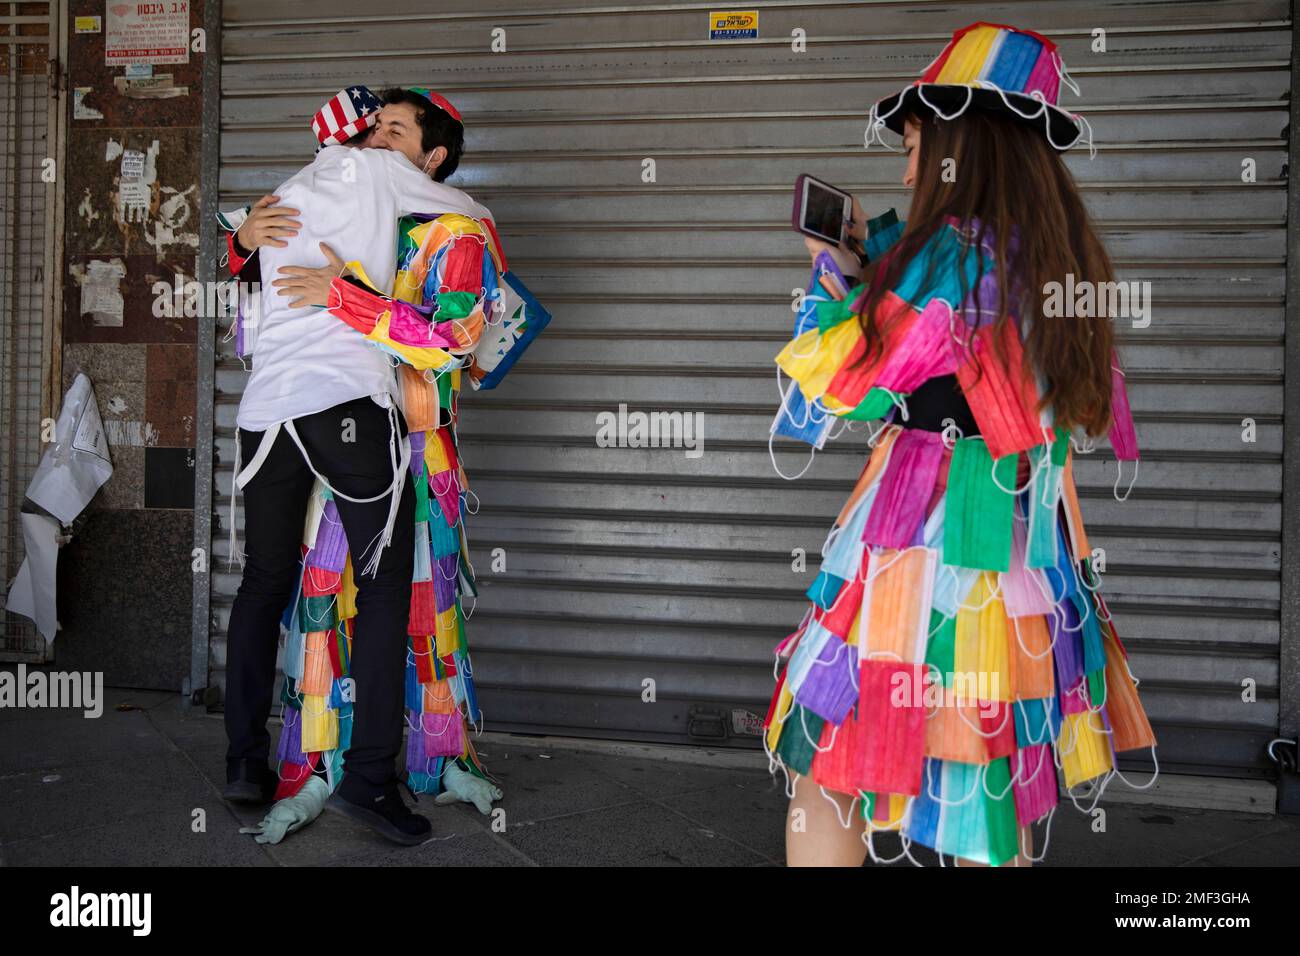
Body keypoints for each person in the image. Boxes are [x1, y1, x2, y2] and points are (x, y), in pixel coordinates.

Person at [765, 21, 1155, 867]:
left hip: (920, 546)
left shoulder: (946, 251)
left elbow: (834, 388)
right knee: (986, 770)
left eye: (917, 145)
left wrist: (833, 275)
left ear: (961, 147)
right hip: (1020, 554)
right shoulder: (1066, 259)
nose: (907, 167)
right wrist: (879, 267)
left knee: (831, 761)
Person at [220, 86, 504, 846]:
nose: (378, 138)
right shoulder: (361, 189)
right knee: (337, 604)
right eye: (373, 126)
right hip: (346, 416)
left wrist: (325, 287)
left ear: (432, 156)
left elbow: (460, 339)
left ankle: (373, 763)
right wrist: (246, 243)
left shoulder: (442, 225)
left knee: (400, 605)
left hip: (379, 437)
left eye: (396, 129)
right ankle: (336, 772)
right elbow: (245, 299)